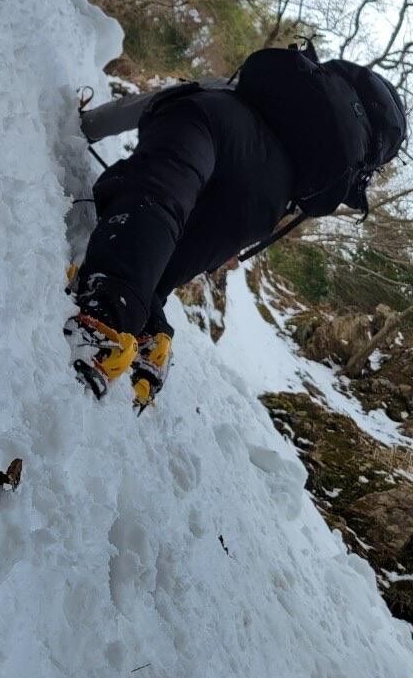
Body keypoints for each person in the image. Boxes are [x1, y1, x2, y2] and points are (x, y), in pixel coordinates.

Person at [64, 42, 407, 412]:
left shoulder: (261, 89)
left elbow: (151, 105)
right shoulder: (318, 162)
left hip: (210, 121)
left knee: (157, 198)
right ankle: (150, 335)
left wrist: (84, 127)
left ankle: (104, 319)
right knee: (161, 267)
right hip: (264, 205)